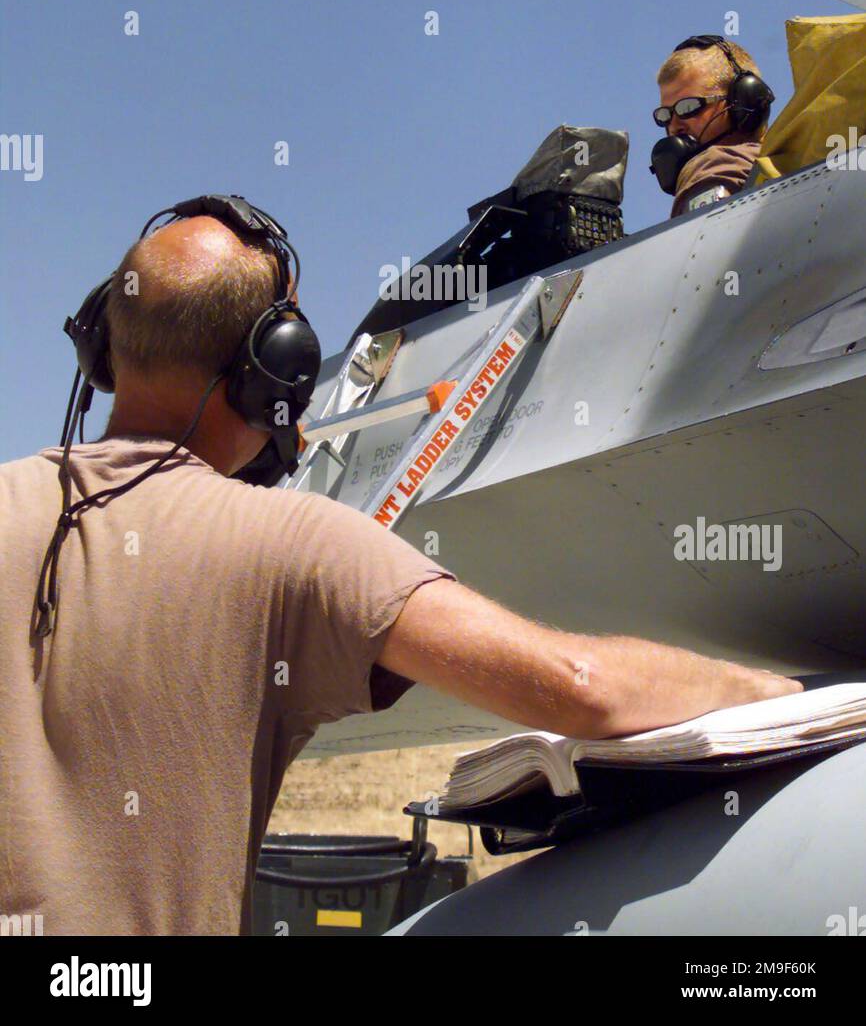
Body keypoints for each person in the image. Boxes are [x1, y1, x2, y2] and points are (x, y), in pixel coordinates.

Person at [0, 200, 801, 935]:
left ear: (105, 343)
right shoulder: (293, 542)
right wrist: (782, 692)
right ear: (271, 370)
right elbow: (578, 686)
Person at [651, 35, 774, 217]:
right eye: (665, 116)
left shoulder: (715, 162)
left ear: (742, 102)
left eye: (689, 107)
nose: (674, 126)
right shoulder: (785, 158)